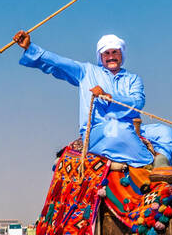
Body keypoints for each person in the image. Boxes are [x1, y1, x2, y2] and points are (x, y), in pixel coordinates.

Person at [11, 31, 153, 166]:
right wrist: (30, 47)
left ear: (121, 54)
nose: (111, 56)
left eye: (115, 52)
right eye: (106, 53)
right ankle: (150, 165)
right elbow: (58, 63)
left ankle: (163, 167)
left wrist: (111, 97)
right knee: (120, 132)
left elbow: (138, 102)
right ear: (100, 56)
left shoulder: (133, 80)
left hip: (130, 128)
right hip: (99, 130)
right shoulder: (87, 71)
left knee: (165, 133)